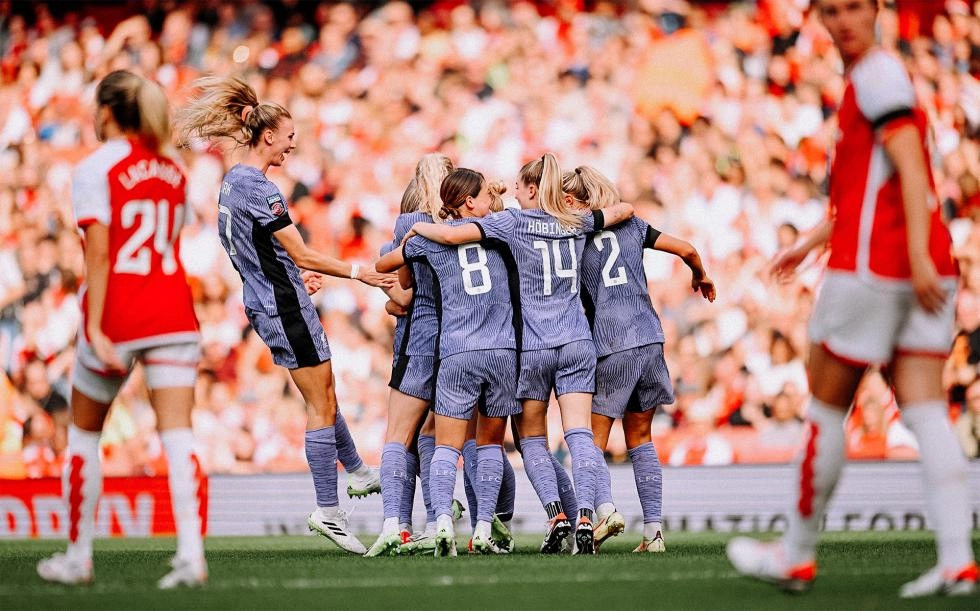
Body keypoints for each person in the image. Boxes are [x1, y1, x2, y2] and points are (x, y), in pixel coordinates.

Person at [727, 0, 977, 598]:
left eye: (853, 8)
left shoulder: (874, 75)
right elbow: (874, 190)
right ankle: (955, 561)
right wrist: (813, 242)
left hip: (875, 270)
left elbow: (912, 169)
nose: (842, 21)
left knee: (825, 406)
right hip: (925, 268)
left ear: (877, 11)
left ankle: (795, 554)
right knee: (922, 408)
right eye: (830, 11)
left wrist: (910, 254)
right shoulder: (880, 76)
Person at [175, 76, 394, 555]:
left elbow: (255, 250)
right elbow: (302, 252)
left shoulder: (232, 180)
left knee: (326, 394)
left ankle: (357, 471)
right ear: (268, 135)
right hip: (283, 306)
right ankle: (329, 511)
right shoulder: (260, 188)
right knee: (319, 404)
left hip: (271, 298)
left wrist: (292, 275)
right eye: (290, 136)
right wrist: (360, 274)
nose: (293, 145)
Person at [401, 153, 633, 554]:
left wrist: (416, 228)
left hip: (531, 347)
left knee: (532, 441)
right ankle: (585, 515)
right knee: (580, 436)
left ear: (528, 189)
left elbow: (454, 236)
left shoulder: (511, 222)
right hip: (577, 340)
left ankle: (554, 513)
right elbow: (623, 210)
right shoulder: (573, 221)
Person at [36, 70, 207, 588]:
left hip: (118, 313)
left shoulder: (93, 168)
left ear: (107, 113)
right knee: (179, 437)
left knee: (84, 435)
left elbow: (100, 253)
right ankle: (193, 556)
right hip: (173, 307)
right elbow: (170, 240)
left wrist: (95, 326)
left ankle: (78, 556)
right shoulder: (174, 168)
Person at [570, 165, 715, 553]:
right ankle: (653, 534)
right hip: (650, 339)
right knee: (640, 439)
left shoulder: (574, 235)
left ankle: (595, 522)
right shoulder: (633, 226)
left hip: (611, 342)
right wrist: (700, 275)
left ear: (578, 201)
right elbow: (687, 249)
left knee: (591, 442)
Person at [377, 168, 520, 556]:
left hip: (455, 350)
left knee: (445, 447)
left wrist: (412, 235)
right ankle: (484, 529)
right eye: (484, 196)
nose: (491, 201)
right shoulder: (503, 227)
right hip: (502, 349)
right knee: (489, 444)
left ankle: (440, 519)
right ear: (470, 202)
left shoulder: (428, 241)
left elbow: (383, 267)